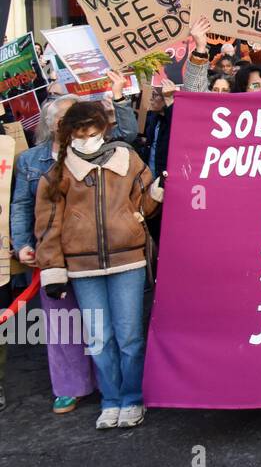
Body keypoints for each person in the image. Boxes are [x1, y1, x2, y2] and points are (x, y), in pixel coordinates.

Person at [10, 80, 137, 416]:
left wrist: (119, 93)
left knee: (110, 326)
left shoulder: (108, 151)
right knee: (65, 326)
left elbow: (128, 134)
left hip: (104, 255)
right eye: (71, 119)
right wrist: (22, 244)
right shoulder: (32, 161)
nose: (80, 124)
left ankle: (116, 389)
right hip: (57, 256)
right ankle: (71, 386)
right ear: (55, 125)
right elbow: (22, 205)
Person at [35, 101, 164, 430]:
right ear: (69, 134)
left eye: (92, 131)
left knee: (130, 337)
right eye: (80, 132)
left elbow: (144, 204)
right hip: (83, 268)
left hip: (128, 260)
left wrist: (157, 194)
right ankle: (110, 399)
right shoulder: (57, 173)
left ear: (103, 129)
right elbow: (47, 226)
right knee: (99, 338)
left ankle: (132, 397)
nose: (87, 137)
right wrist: (53, 271)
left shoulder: (127, 158)